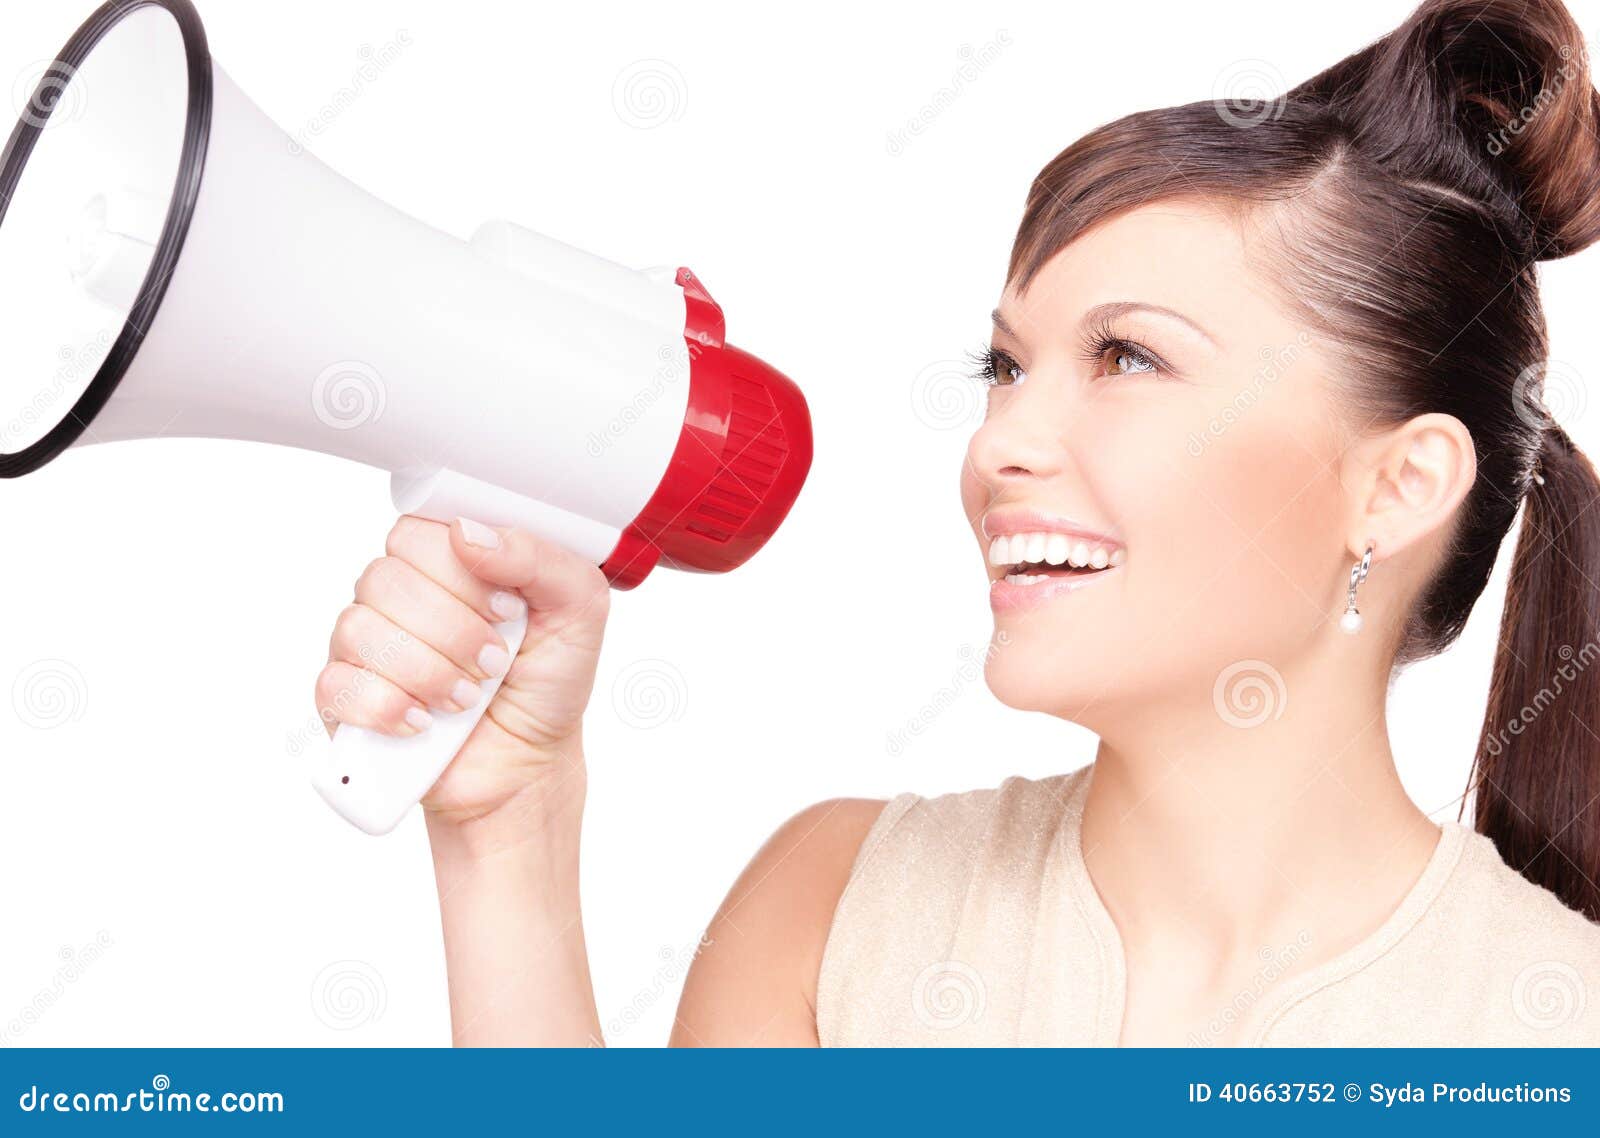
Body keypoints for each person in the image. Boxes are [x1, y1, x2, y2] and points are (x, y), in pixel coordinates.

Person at [314, 0, 1600, 1045]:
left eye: (1129, 359)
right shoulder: (834, 908)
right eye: (1005, 368)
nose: (1001, 445)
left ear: (1398, 485)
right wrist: (509, 831)